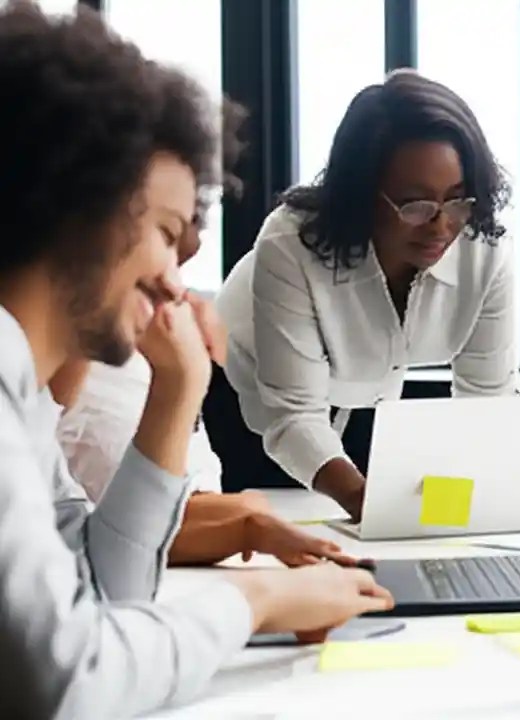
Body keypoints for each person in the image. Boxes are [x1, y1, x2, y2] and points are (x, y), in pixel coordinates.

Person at [0, 5, 391, 717]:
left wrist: (178, 390)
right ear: (75, 206)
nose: (175, 285)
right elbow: (66, 681)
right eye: (166, 234)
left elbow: (101, 593)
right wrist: (256, 596)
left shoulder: (19, 395)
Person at [215, 69, 520, 520]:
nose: (442, 226)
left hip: (369, 395)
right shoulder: (291, 243)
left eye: (458, 200)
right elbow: (293, 417)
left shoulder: (484, 246)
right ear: (362, 195)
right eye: (415, 204)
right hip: (254, 400)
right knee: (280, 534)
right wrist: (378, 509)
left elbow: (488, 399)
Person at [52, 215, 352, 568]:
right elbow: (134, 541)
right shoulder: (94, 363)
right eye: (166, 236)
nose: (175, 287)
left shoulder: (151, 337)